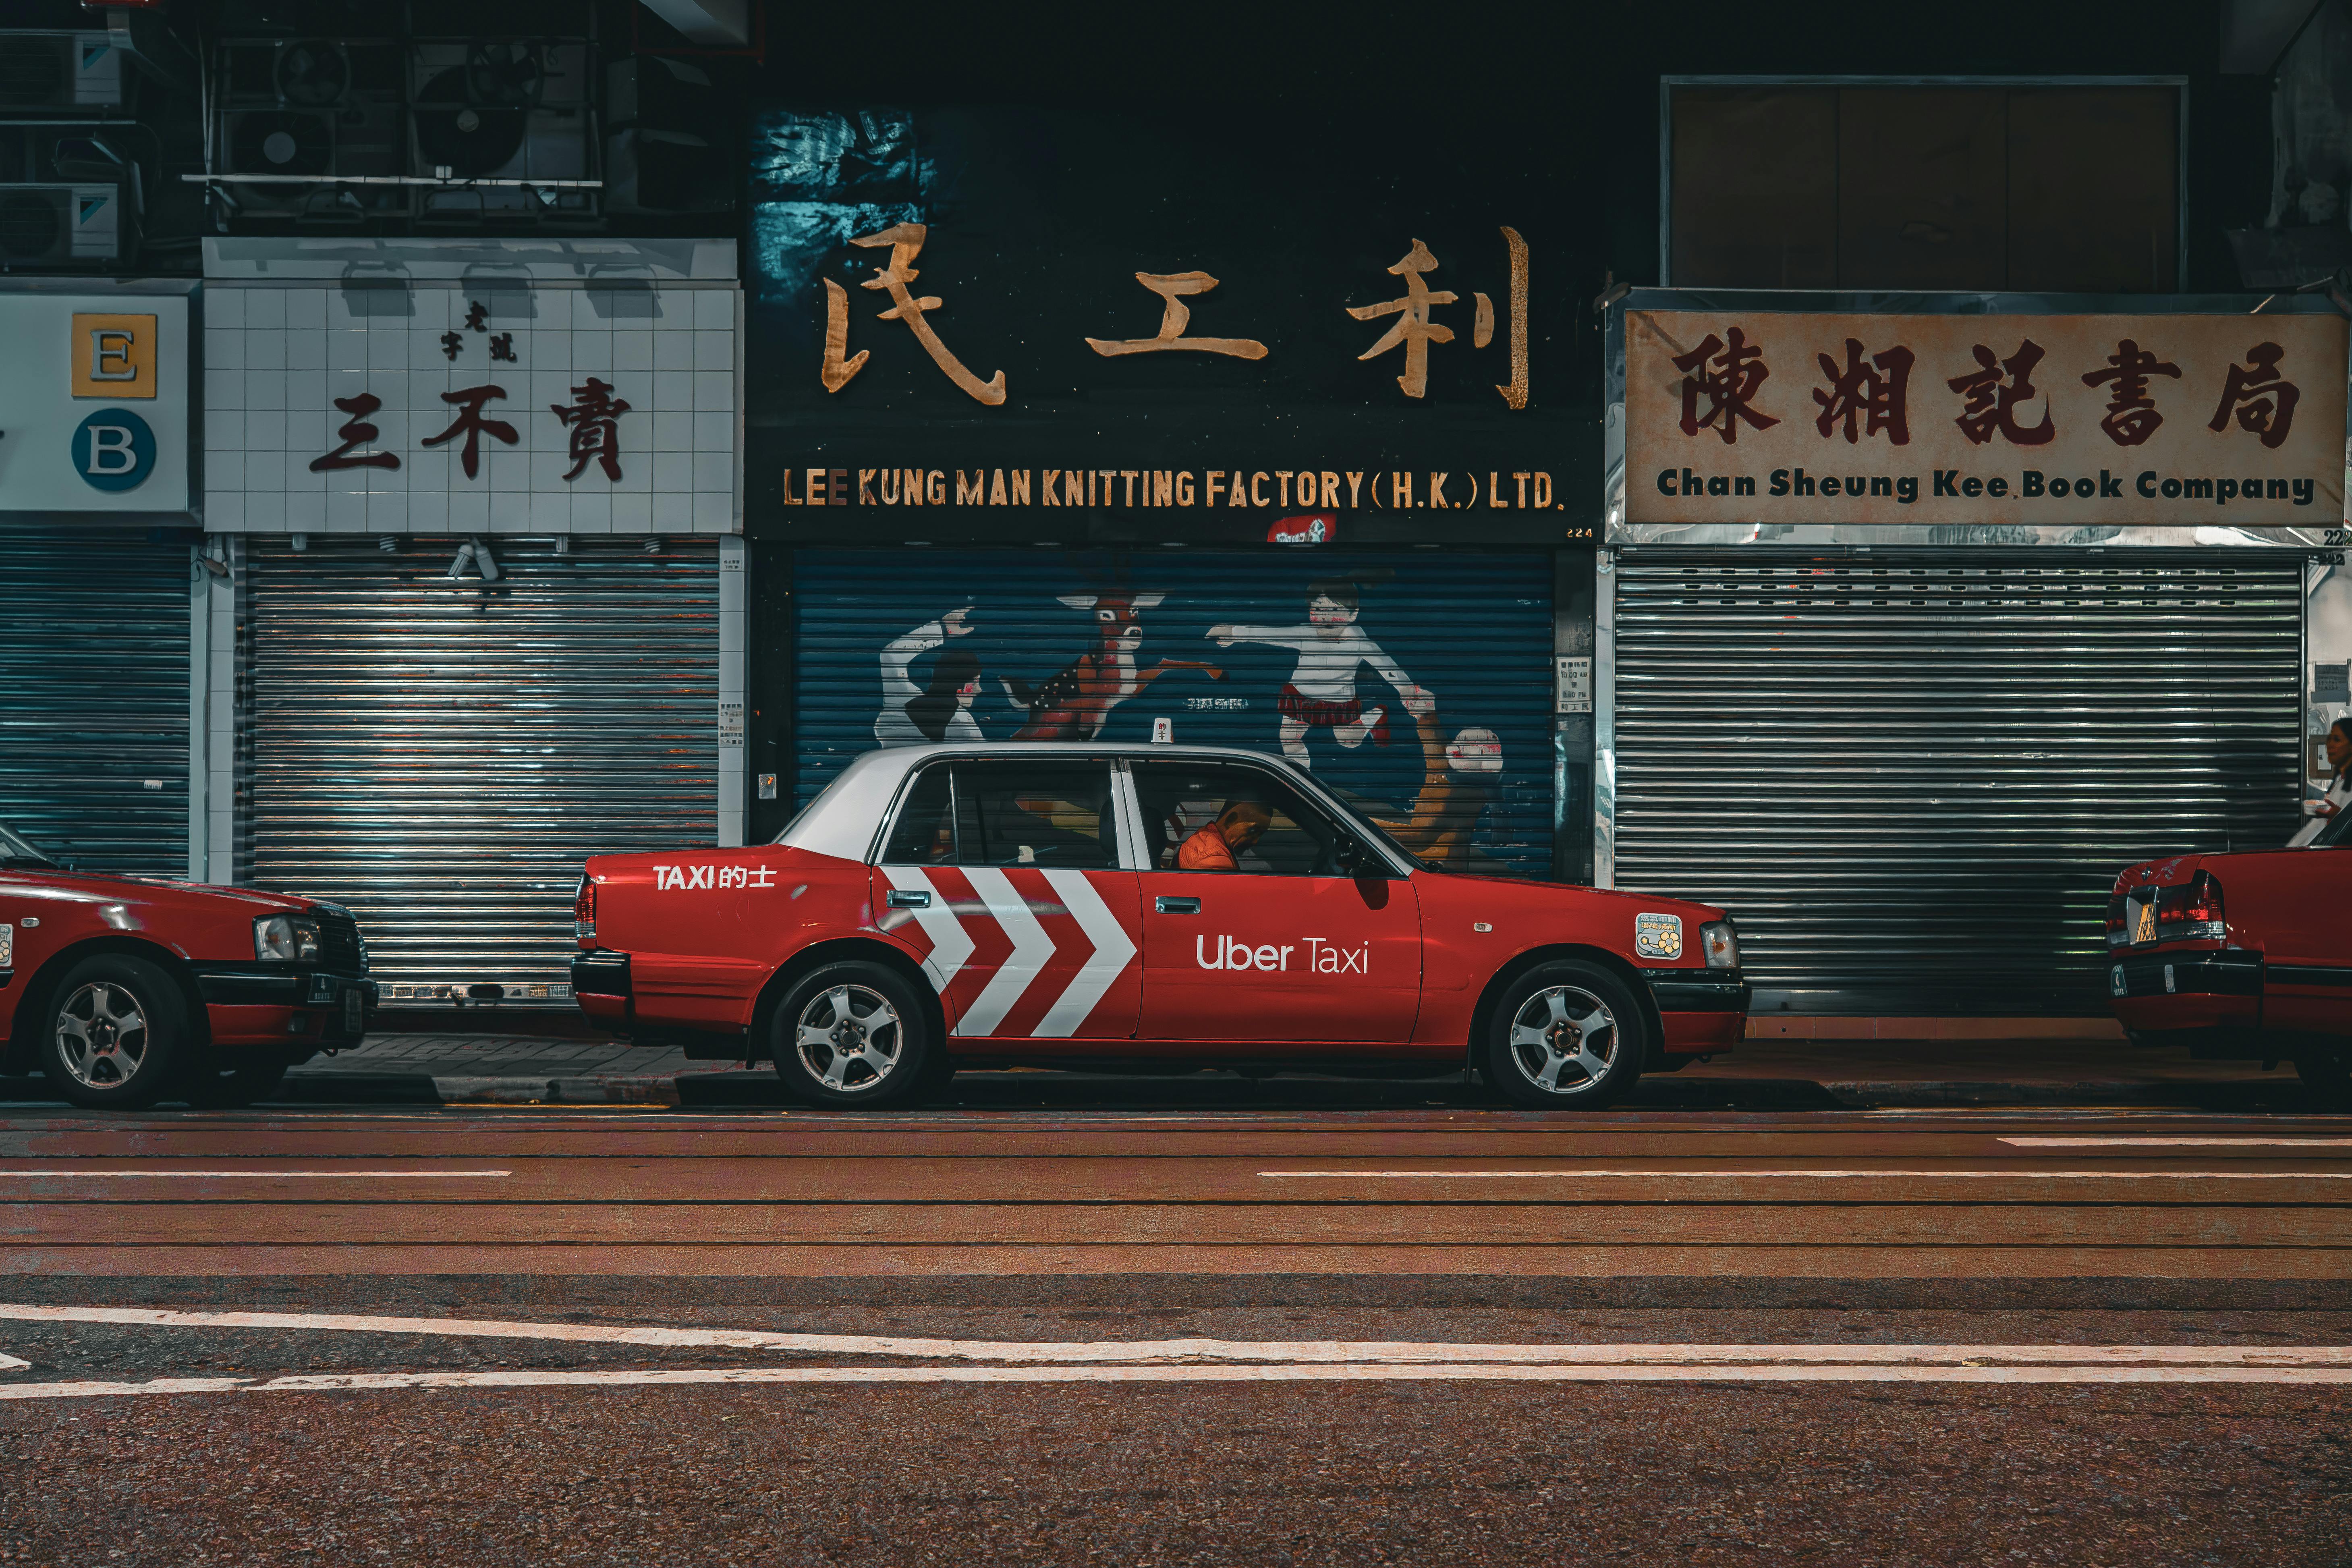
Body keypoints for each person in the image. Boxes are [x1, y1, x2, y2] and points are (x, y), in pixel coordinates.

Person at [1208, 579, 1425, 767]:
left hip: (1339, 702)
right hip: (1301, 698)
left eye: (1335, 611)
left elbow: (1386, 666)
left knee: (1349, 741)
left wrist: (1407, 690)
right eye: (1318, 609)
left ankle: (1376, 714)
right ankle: (1302, 780)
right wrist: (1233, 632)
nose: (1325, 617)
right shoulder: (1306, 633)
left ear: (1353, 615)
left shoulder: (1359, 641)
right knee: (1289, 738)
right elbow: (1271, 634)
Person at [875, 609, 984, 747]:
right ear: (957, 684)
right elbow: (980, 757)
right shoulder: (963, 725)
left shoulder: (901, 698)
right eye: (974, 683)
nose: (979, 690)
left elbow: (891, 657)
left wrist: (942, 629)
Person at [2291, 717, 2352, 847]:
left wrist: (2333, 817)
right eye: (2330, 739)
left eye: (2337, 740)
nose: (2329, 745)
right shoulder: (2340, 779)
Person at [1176, 801, 1272, 871]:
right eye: (1253, 831)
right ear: (1231, 821)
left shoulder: (1206, 837)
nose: (1255, 841)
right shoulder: (1216, 858)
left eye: (1261, 834)